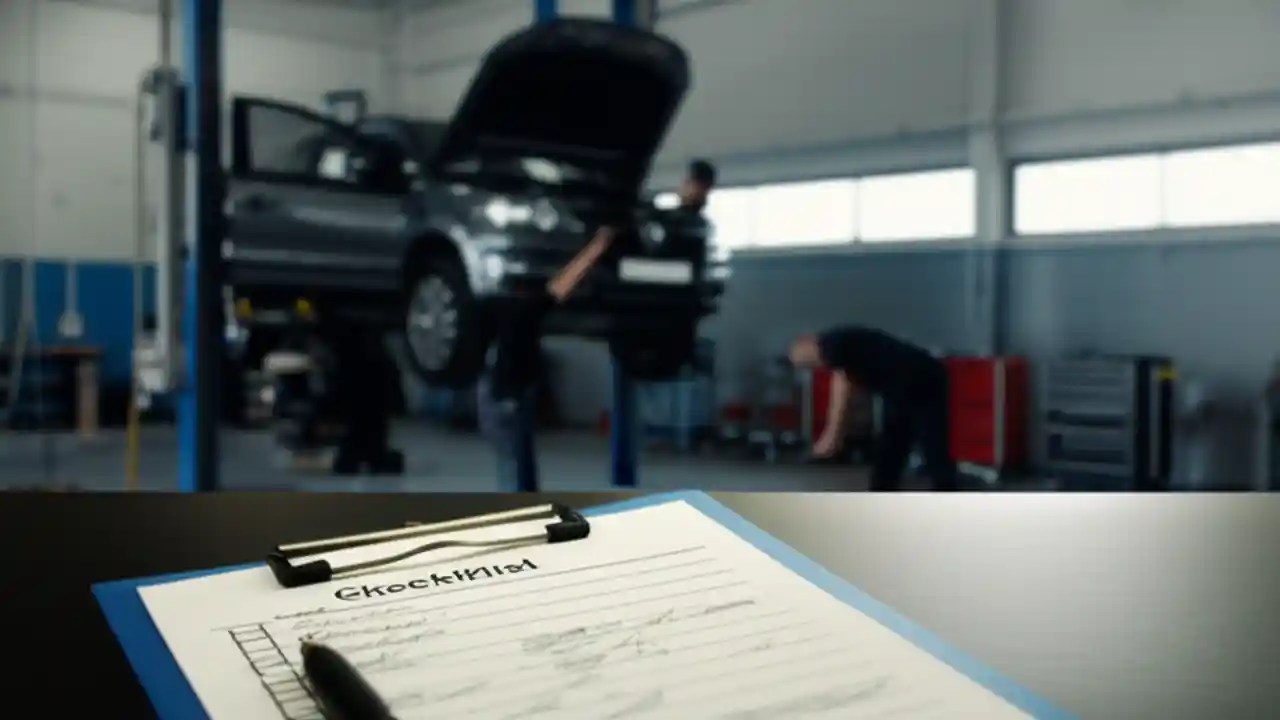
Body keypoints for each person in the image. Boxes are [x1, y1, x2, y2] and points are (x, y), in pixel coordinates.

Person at [789, 327, 957, 491]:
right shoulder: (844, 344)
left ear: (808, 342)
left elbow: (842, 389)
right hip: (914, 379)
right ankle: (885, 492)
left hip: (917, 378)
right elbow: (851, 389)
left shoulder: (829, 343)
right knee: (897, 444)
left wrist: (832, 436)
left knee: (922, 444)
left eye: (806, 361)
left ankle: (946, 495)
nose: (813, 366)